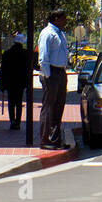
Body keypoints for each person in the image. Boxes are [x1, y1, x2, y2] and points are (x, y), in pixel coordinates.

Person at [37, 9, 70, 149]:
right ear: (56, 19)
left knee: (59, 106)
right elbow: (43, 56)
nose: (66, 21)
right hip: (51, 72)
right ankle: (45, 140)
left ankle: (55, 138)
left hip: (61, 72)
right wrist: (48, 75)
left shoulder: (60, 33)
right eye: (63, 18)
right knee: (49, 107)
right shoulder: (47, 33)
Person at [0, 33, 29, 131]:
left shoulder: (7, 53)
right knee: (19, 102)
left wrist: (1, 83)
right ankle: (18, 122)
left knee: (11, 102)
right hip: (21, 82)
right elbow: (28, 70)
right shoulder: (25, 54)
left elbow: (2, 70)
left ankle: (12, 121)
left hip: (9, 82)